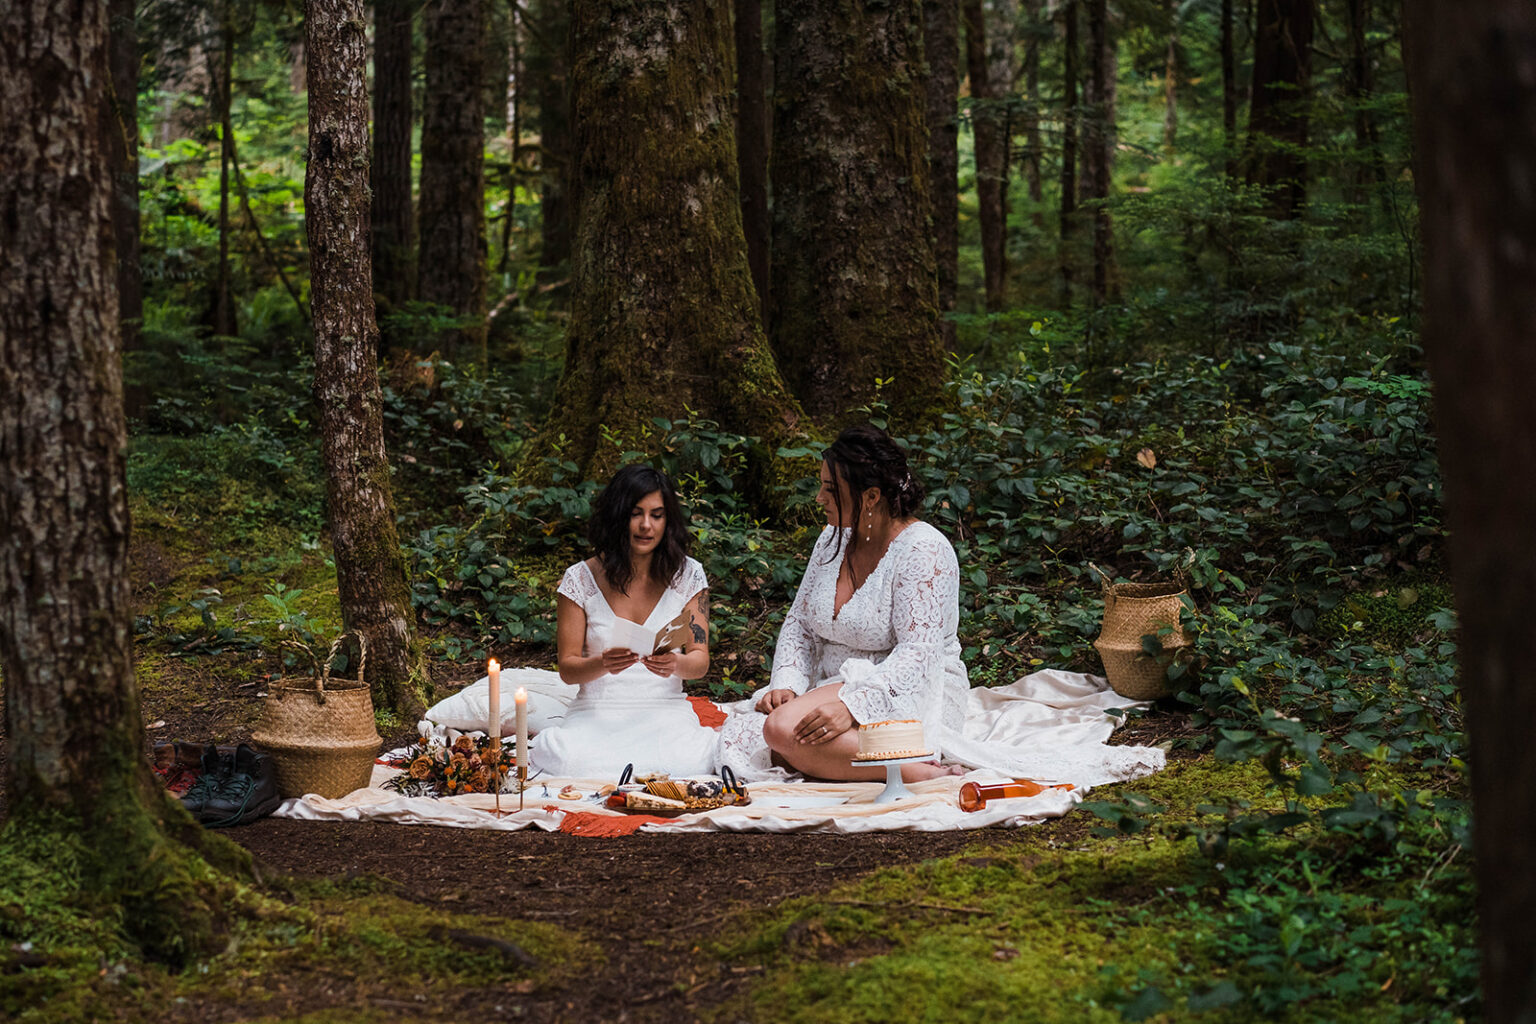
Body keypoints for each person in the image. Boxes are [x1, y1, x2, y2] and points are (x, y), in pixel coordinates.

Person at [719, 425, 969, 782]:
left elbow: (919, 653)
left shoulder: (923, 551)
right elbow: (800, 623)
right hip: (830, 685)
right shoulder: (831, 540)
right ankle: (850, 758)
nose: (819, 498)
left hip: (907, 686)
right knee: (746, 738)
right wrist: (787, 683)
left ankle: (916, 773)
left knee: (779, 731)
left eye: (830, 490)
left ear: (870, 497)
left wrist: (852, 708)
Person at [530, 465, 720, 779]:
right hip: (597, 713)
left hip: (664, 711)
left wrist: (674, 664)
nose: (647, 526)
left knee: (691, 765)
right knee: (569, 763)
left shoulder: (689, 575)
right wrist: (603, 663)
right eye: (636, 513)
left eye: (657, 515)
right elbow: (567, 669)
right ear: (618, 515)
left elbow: (699, 662)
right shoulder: (580, 578)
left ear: (668, 519)